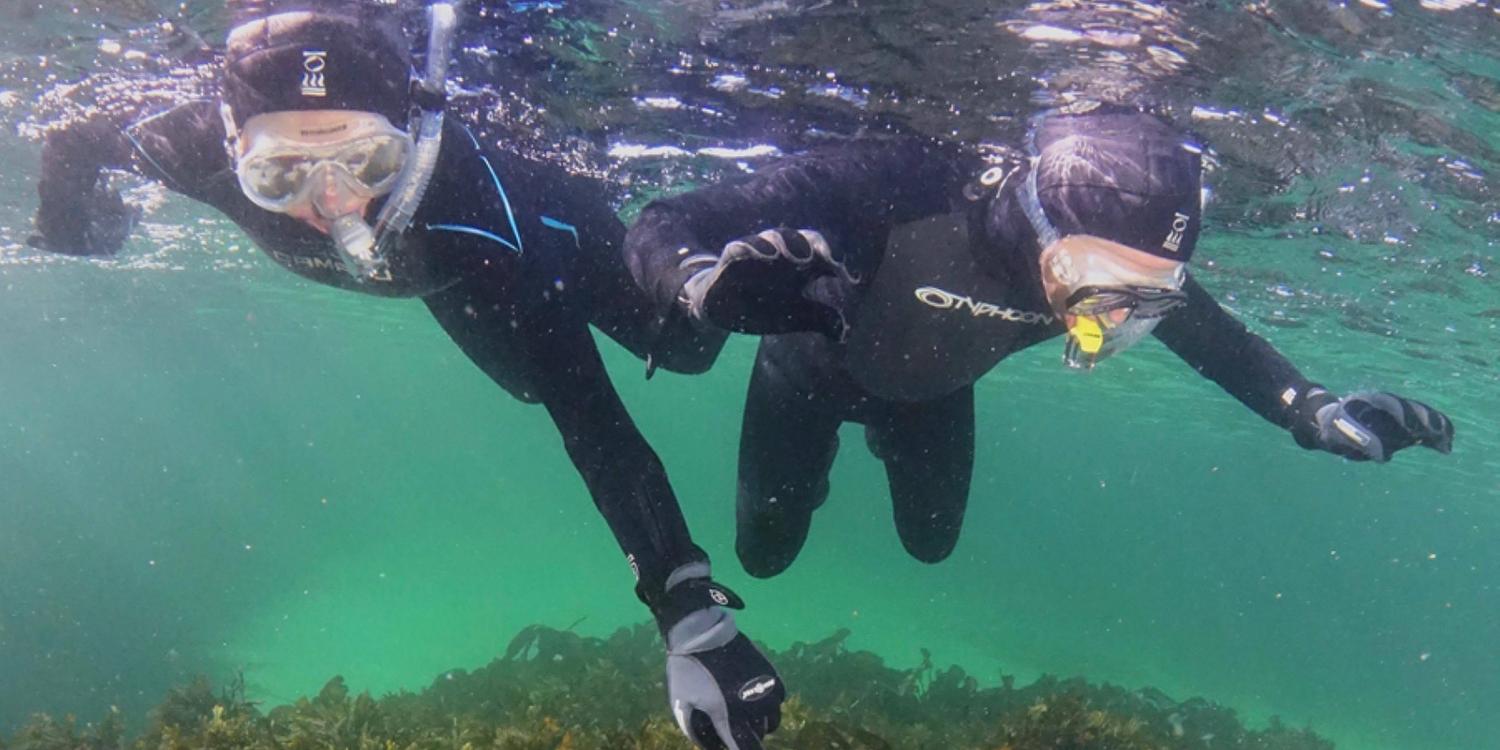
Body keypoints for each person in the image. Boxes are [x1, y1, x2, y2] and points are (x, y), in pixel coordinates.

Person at [29, 2, 784, 747]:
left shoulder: (472, 219)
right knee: (522, 382)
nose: (333, 204)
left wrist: (690, 613)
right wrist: (76, 233)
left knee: (684, 351)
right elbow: (71, 140)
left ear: (414, 138)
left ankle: (712, 253)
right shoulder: (188, 147)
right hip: (435, 275)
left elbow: (591, 418)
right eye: (281, 172)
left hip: (544, 243)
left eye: (366, 163)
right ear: (232, 146)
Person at [623, 103, 1456, 579]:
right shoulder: (904, 180)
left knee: (931, 546)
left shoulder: (1116, 277)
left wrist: (1309, 408)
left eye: (1146, 301)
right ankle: (818, 480)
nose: (1111, 323)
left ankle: (883, 434)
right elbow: (666, 222)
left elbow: (1211, 337)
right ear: (1039, 222)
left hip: (932, 395)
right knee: (763, 557)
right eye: (1104, 292)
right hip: (805, 375)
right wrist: (699, 285)